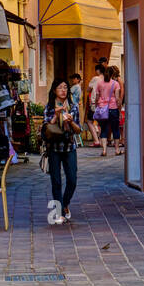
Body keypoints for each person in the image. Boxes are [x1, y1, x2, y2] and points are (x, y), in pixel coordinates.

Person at [42, 78, 81, 224]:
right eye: (60, 88)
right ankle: (58, 213)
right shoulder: (50, 107)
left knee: (72, 180)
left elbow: (78, 130)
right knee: (56, 181)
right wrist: (55, 116)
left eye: (65, 87)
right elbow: (46, 128)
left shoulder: (73, 107)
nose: (63, 90)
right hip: (54, 148)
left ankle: (64, 204)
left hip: (69, 147)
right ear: (54, 91)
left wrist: (70, 121)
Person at [95, 65, 122, 157]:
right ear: (112, 74)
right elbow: (117, 98)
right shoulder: (115, 84)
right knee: (115, 129)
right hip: (113, 108)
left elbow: (97, 97)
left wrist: (96, 106)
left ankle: (104, 150)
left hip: (102, 109)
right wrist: (119, 109)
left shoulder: (99, 83)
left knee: (104, 129)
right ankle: (117, 150)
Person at [85, 60, 106, 147]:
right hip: (105, 103)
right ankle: (101, 140)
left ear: (98, 70)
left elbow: (88, 89)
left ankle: (96, 140)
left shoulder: (95, 79)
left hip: (95, 103)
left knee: (89, 121)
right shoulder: (107, 79)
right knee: (101, 122)